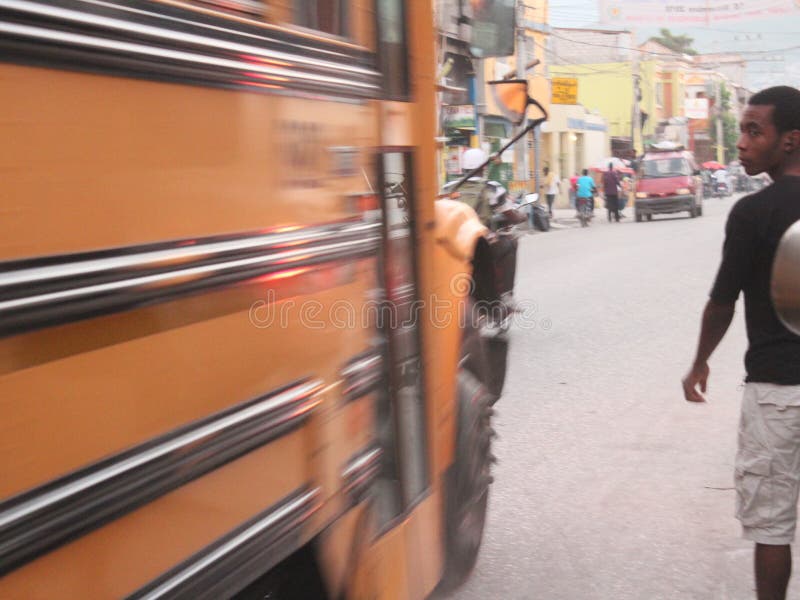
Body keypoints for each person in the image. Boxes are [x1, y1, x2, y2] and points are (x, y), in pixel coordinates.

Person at [682, 86, 800, 600]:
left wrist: (699, 363)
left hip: (776, 394)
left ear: (792, 140)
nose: (743, 144)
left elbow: (723, 301)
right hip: (774, 389)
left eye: (755, 131)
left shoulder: (752, 213)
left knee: (772, 528)